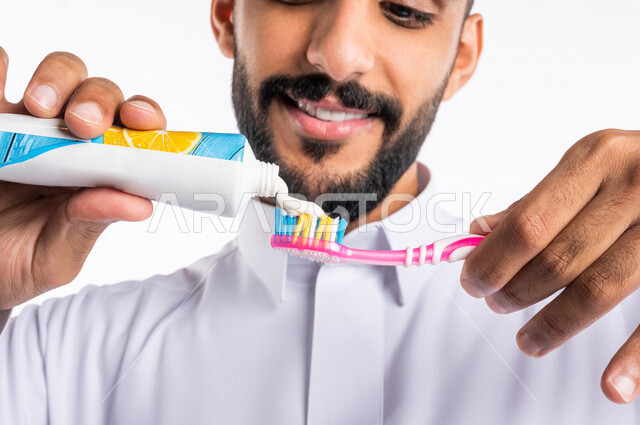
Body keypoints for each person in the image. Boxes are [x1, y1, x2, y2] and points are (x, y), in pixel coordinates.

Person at [1, 0, 640, 423]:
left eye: (405, 8)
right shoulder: (51, 360)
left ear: (462, 57)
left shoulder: (621, 323)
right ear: (227, 14)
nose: (337, 55)